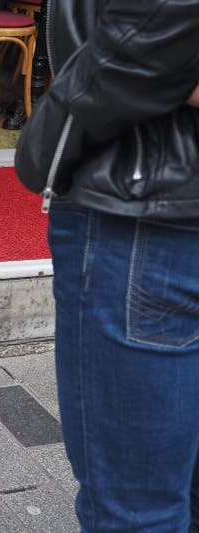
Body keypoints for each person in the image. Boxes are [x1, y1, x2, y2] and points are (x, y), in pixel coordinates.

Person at [15, 1, 199, 531]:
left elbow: (156, 22)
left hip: (149, 219)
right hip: (157, 201)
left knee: (137, 511)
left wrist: (45, 145)